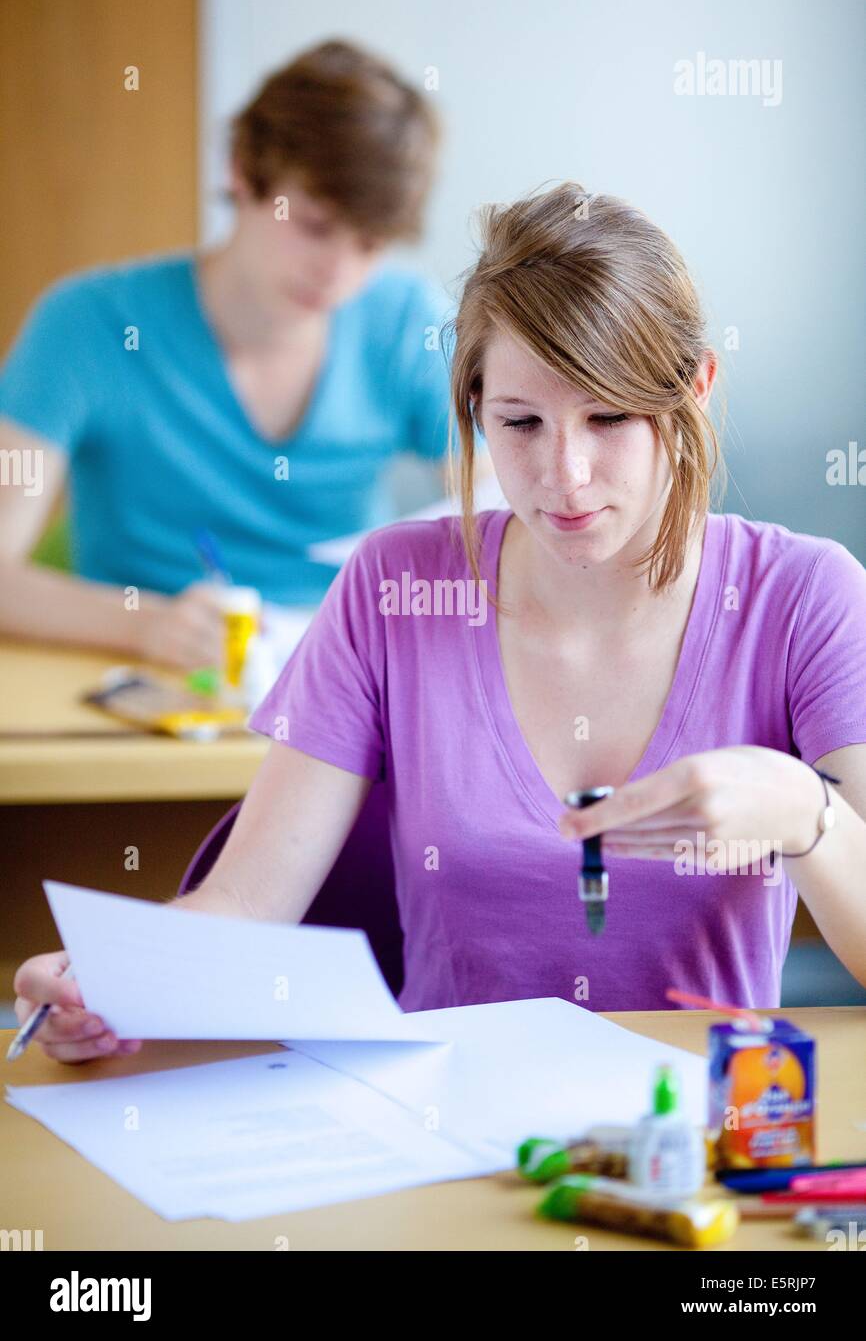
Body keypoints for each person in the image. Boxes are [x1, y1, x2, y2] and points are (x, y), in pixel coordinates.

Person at [15, 181, 866, 1062]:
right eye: (520, 422)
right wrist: (110, 981)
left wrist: (810, 817)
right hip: (439, 1137)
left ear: (694, 390)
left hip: (695, 1152)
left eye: (608, 417)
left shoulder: (805, 599)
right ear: (472, 409)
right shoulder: (393, 586)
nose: (563, 476)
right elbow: (242, 910)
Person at [0, 39, 461, 671]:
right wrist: (146, 626)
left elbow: (498, 510)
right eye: (316, 226)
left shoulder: (408, 321)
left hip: (346, 681)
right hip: (150, 685)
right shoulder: (88, 325)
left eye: (371, 243)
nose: (338, 272)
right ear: (242, 172)